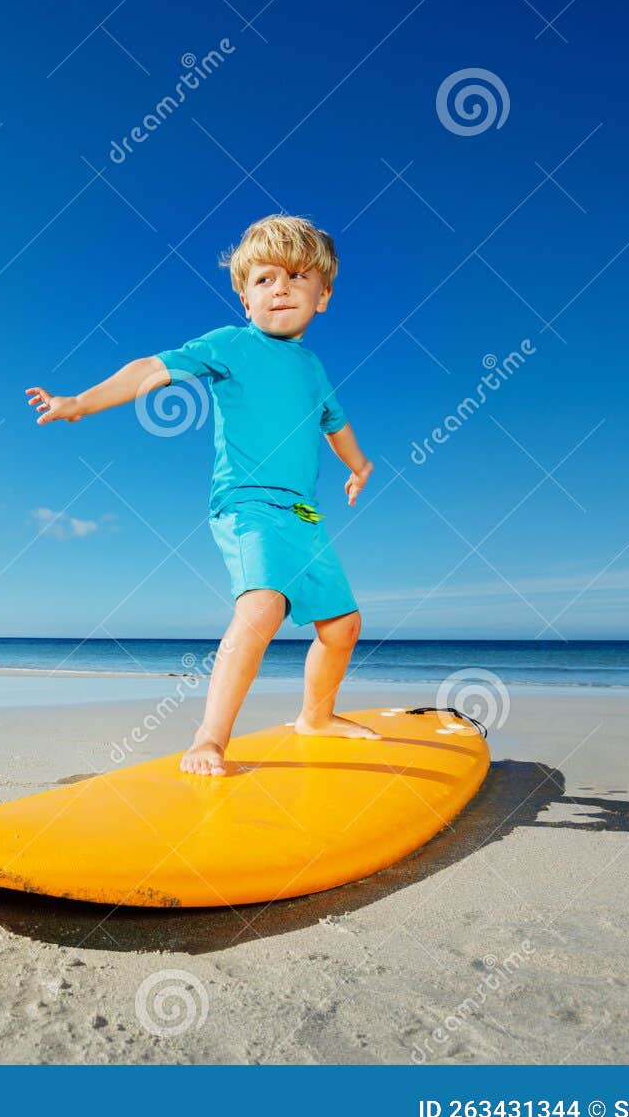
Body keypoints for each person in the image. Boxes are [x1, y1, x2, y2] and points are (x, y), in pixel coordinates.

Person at [26, 214, 378, 776]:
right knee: (262, 605)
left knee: (342, 626)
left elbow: (334, 423)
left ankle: (316, 716)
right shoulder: (231, 346)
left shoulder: (313, 368)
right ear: (245, 300)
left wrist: (359, 467)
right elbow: (152, 367)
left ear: (324, 296)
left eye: (296, 276)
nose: (280, 288)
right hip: (246, 503)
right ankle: (210, 739)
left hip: (303, 513)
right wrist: (80, 403)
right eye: (264, 280)